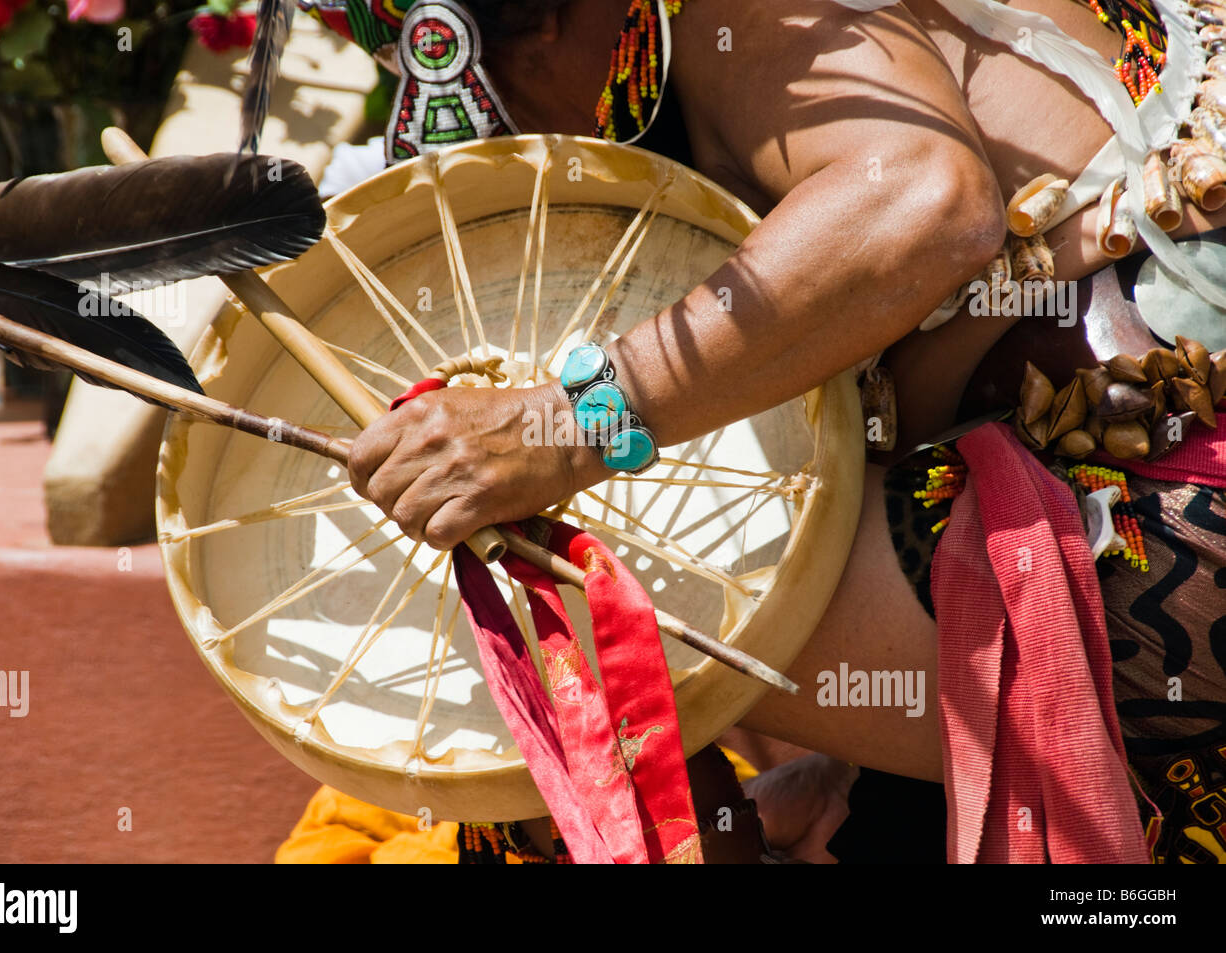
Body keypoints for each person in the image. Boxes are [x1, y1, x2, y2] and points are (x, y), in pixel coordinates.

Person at [318, 0, 1226, 862]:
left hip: (1174, 506)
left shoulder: (731, 18)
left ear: (532, 28)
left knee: (548, 585)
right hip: (1147, 555)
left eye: (483, 99)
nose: (518, 143)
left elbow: (928, 197)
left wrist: (565, 424)